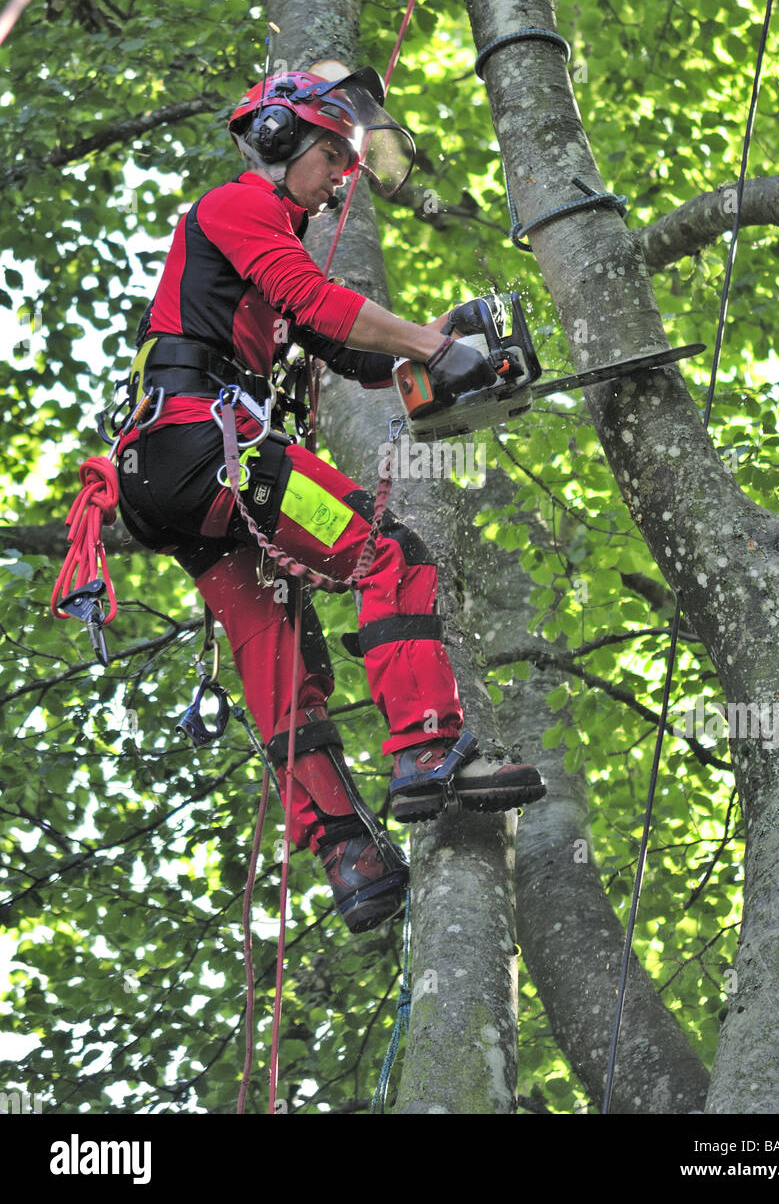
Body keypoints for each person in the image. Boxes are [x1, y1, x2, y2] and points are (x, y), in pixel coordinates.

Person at [115, 64, 545, 933]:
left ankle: (347, 855)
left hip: (167, 480)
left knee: (279, 660)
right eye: (330, 156)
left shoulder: (263, 257)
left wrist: (445, 353)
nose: (342, 176)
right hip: (211, 449)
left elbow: (348, 350)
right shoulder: (234, 207)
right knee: (389, 552)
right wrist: (431, 341)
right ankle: (428, 749)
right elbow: (320, 301)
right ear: (278, 143)